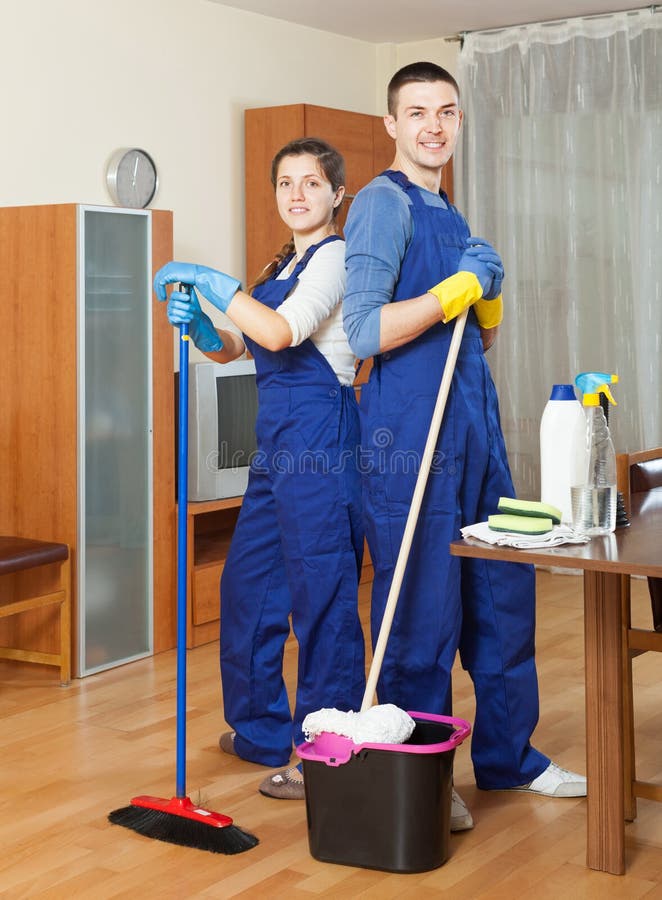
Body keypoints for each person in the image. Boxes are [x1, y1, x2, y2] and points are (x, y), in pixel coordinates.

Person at [342, 62, 586, 831]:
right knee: (420, 610)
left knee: (502, 592)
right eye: (417, 112)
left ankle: (510, 760)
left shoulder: (444, 205)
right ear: (390, 124)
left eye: (447, 111)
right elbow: (363, 331)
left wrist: (490, 288)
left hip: (473, 422)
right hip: (413, 436)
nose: (434, 126)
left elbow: (479, 334)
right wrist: (455, 288)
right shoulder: (381, 206)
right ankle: (424, 776)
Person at [154, 138, 365, 800]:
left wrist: (218, 285)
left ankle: (327, 747)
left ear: (337, 195)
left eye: (310, 183)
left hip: (321, 441)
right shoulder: (285, 261)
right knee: (249, 587)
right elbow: (241, 347)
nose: (296, 194)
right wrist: (200, 330)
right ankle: (261, 730)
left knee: (322, 596)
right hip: (277, 446)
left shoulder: (336, 260)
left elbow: (280, 333)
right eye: (284, 183)